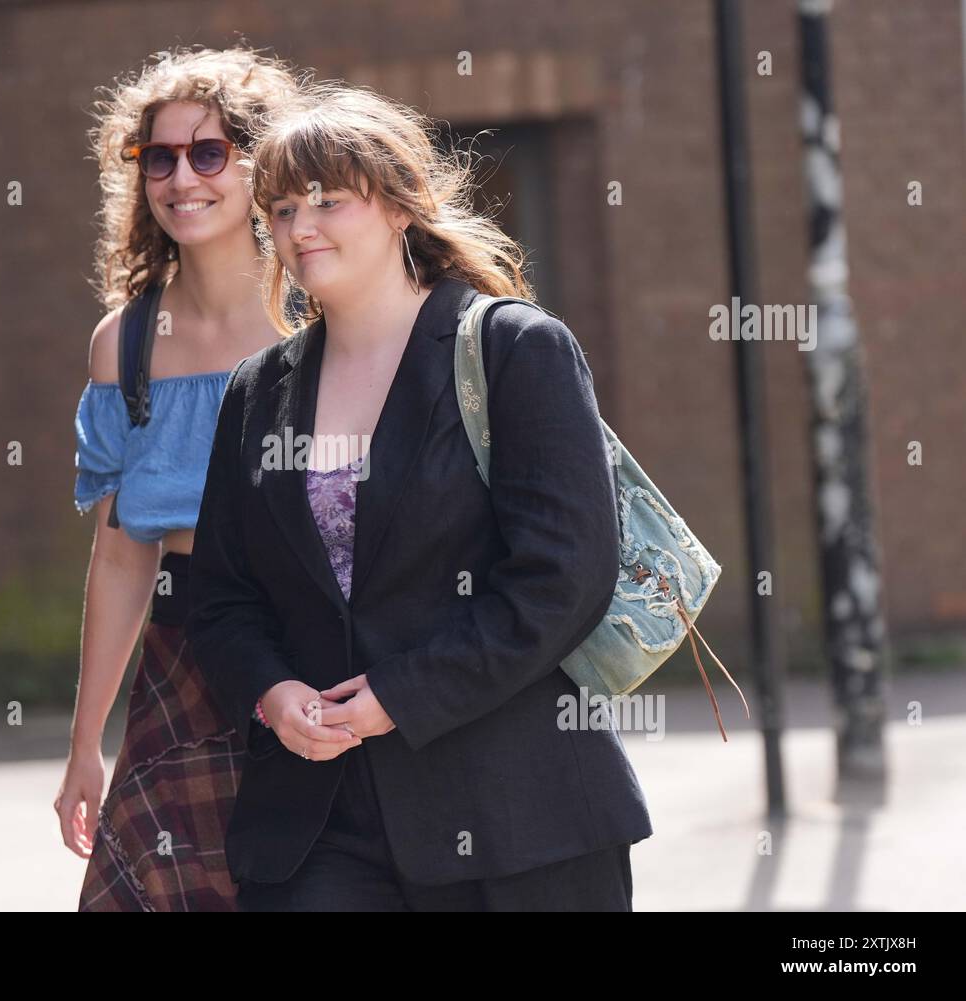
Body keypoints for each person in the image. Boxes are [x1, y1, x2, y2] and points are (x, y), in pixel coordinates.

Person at [185, 83, 653, 911]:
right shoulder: (257, 392)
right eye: (283, 208)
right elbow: (221, 594)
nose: (300, 228)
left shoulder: (514, 350)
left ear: (401, 207)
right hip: (317, 823)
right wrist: (269, 691)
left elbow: (565, 575)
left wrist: (401, 696)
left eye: (329, 200)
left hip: (515, 816)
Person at [56, 45, 300, 912]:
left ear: (259, 163)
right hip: (181, 653)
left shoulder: (320, 314)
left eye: (209, 152)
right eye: (160, 157)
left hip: (307, 640)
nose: (182, 178)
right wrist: (87, 742)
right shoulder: (122, 342)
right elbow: (123, 557)